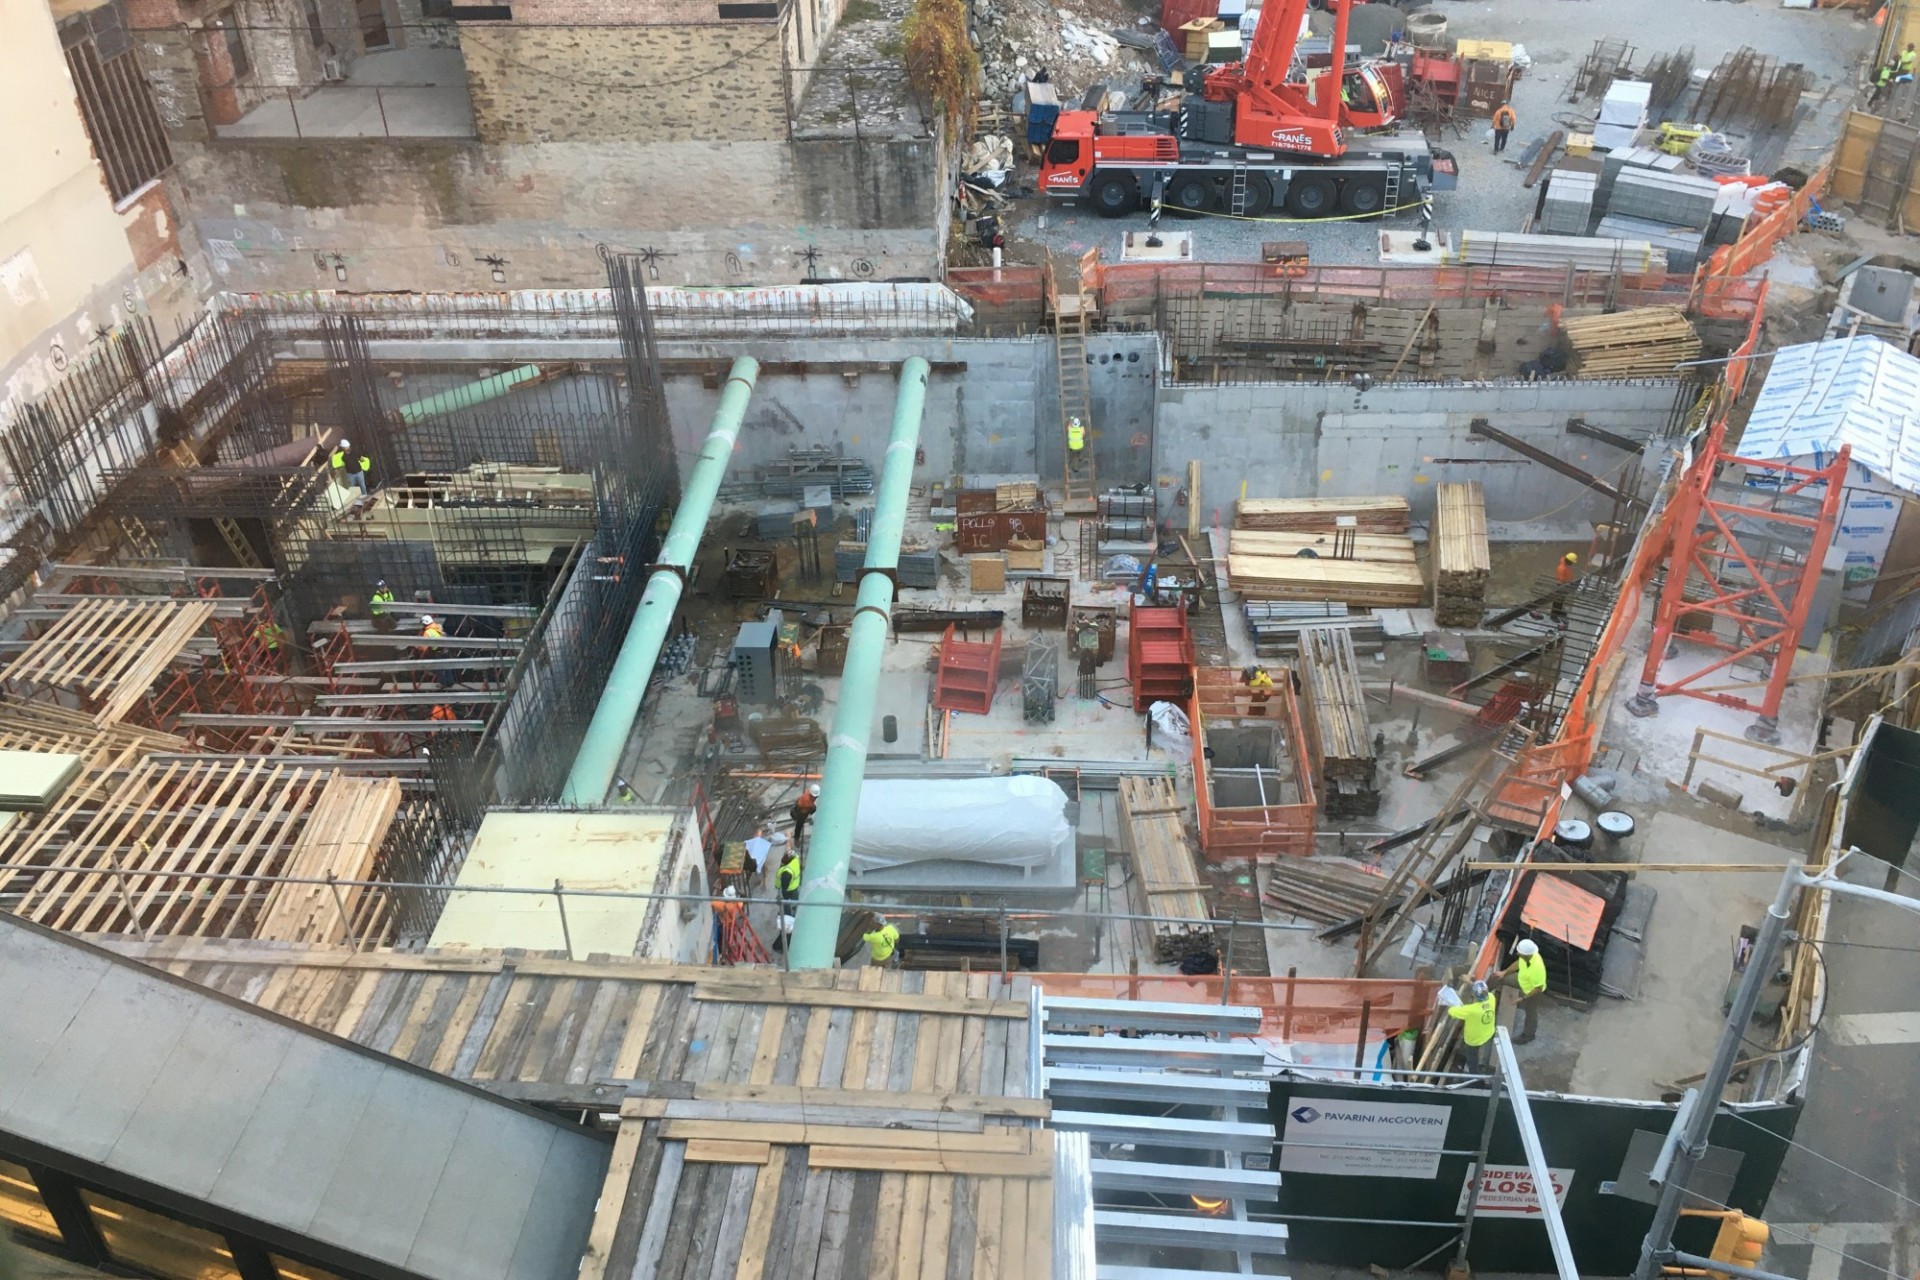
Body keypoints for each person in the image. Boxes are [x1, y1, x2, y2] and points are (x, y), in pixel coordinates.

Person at [1499, 938, 1549, 1045]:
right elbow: (1517, 963)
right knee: (1499, 978)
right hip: (1522, 980)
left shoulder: (1537, 968)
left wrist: (1523, 998)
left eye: (1520, 952)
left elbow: (1538, 988)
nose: (1517, 953)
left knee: (1531, 1012)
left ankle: (1528, 1035)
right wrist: (1504, 972)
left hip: (1532, 992)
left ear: (1526, 955)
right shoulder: (1526, 957)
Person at [1446, 979, 1499, 1071]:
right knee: (1485, 1049)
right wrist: (1470, 982)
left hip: (1474, 1039)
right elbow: (1481, 991)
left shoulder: (1471, 1010)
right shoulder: (1491, 998)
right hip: (1489, 1032)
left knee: (1472, 1058)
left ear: (1473, 996)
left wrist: (1450, 1002)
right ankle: (1483, 1065)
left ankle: (1474, 1076)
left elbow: (1452, 1011)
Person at [790, 783, 819, 851]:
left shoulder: (811, 793)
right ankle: (796, 838)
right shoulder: (806, 799)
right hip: (801, 811)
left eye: (816, 797)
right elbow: (804, 808)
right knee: (799, 825)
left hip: (805, 808)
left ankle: (813, 819)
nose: (815, 798)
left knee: (814, 809)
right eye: (815, 797)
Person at [776, 843, 802, 913]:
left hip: (788, 889)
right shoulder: (795, 858)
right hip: (795, 885)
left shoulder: (786, 872)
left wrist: (782, 894)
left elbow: (784, 886)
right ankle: (796, 909)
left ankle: (787, 913)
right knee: (795, 898)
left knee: (786, 901)